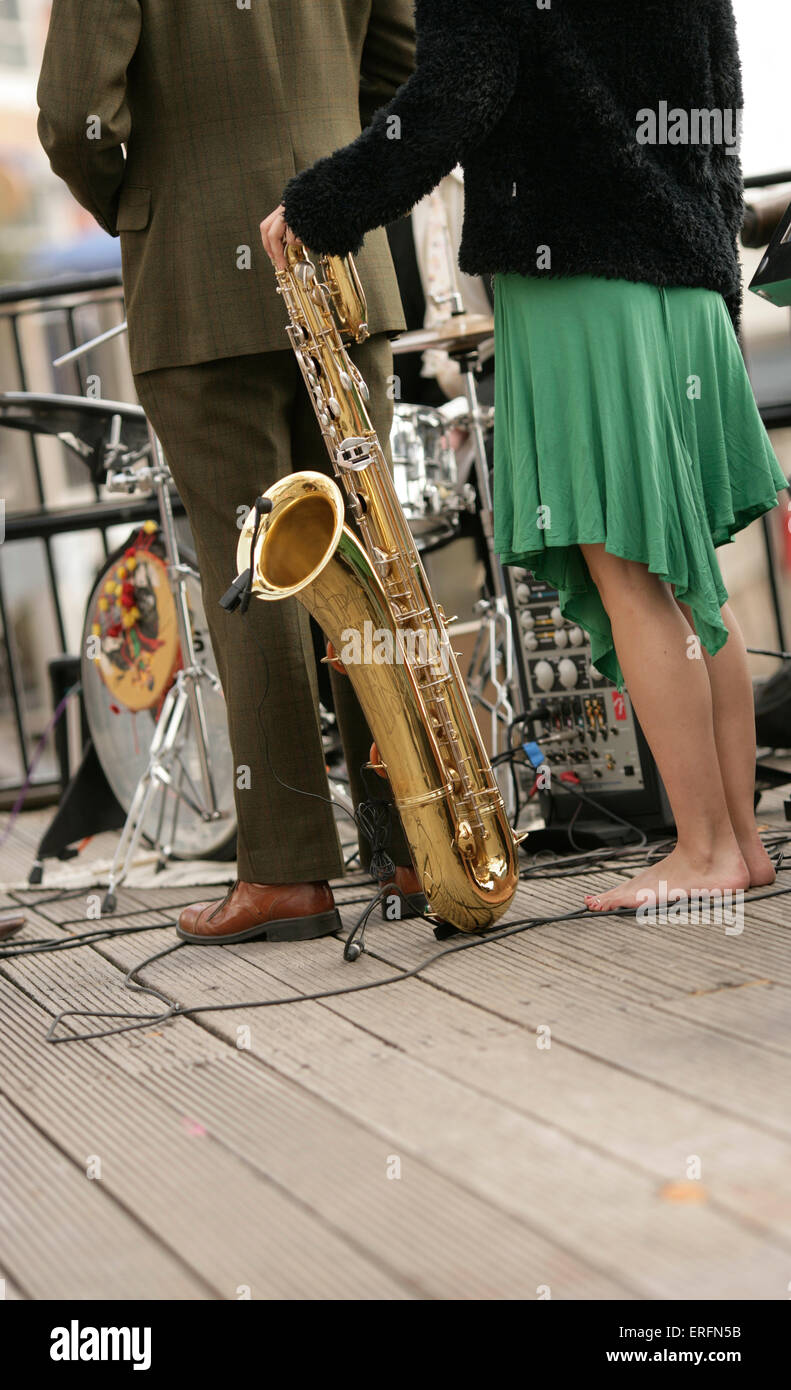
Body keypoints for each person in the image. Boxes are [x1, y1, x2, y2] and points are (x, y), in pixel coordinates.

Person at [261, 0, 788, 911]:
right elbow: (718, 114)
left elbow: (456, 93)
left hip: (581, 283)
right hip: (685, 276)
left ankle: (701, 851)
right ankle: (738, 844)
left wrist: (320, 206)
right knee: (687, 577)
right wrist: (709, 269)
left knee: (631, 579)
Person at [37, 0, 422, 943]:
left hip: (198, 272)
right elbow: (407, 71)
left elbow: (71, 113)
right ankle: (417, 838)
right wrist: (342, 181)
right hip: (339, 260)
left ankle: (290, 874)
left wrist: (145, 202)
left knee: (254, 581)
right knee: (366, 561)